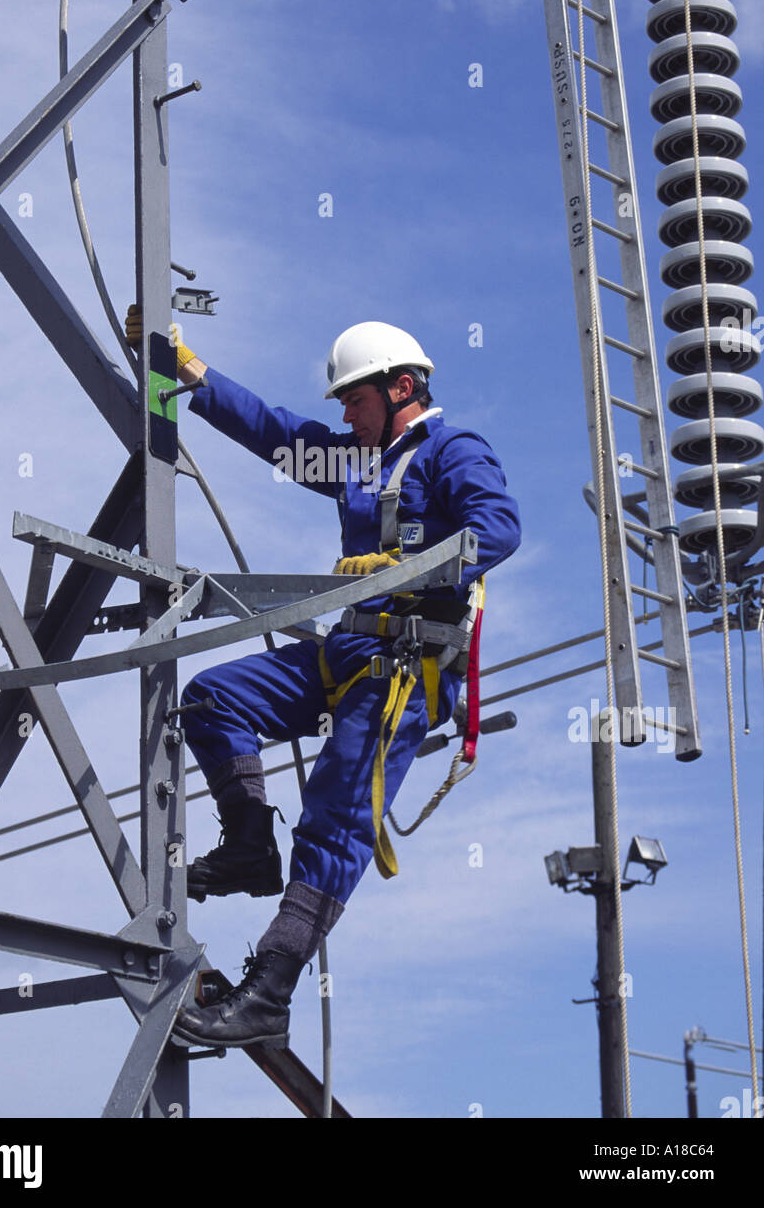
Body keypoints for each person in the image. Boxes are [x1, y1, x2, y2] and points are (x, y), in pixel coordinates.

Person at [125, 311, 521, 1050]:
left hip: (401, 668)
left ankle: (269, 991)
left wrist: (411, 566)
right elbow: (282, 437)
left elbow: (495, 529)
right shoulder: (356, 461)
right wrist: (192, 374)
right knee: (215, 697)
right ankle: (248, 847)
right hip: (344, 652)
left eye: (354, 399)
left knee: (335, 820)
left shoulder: (450, 452)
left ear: (401, 388)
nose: (344, 413)